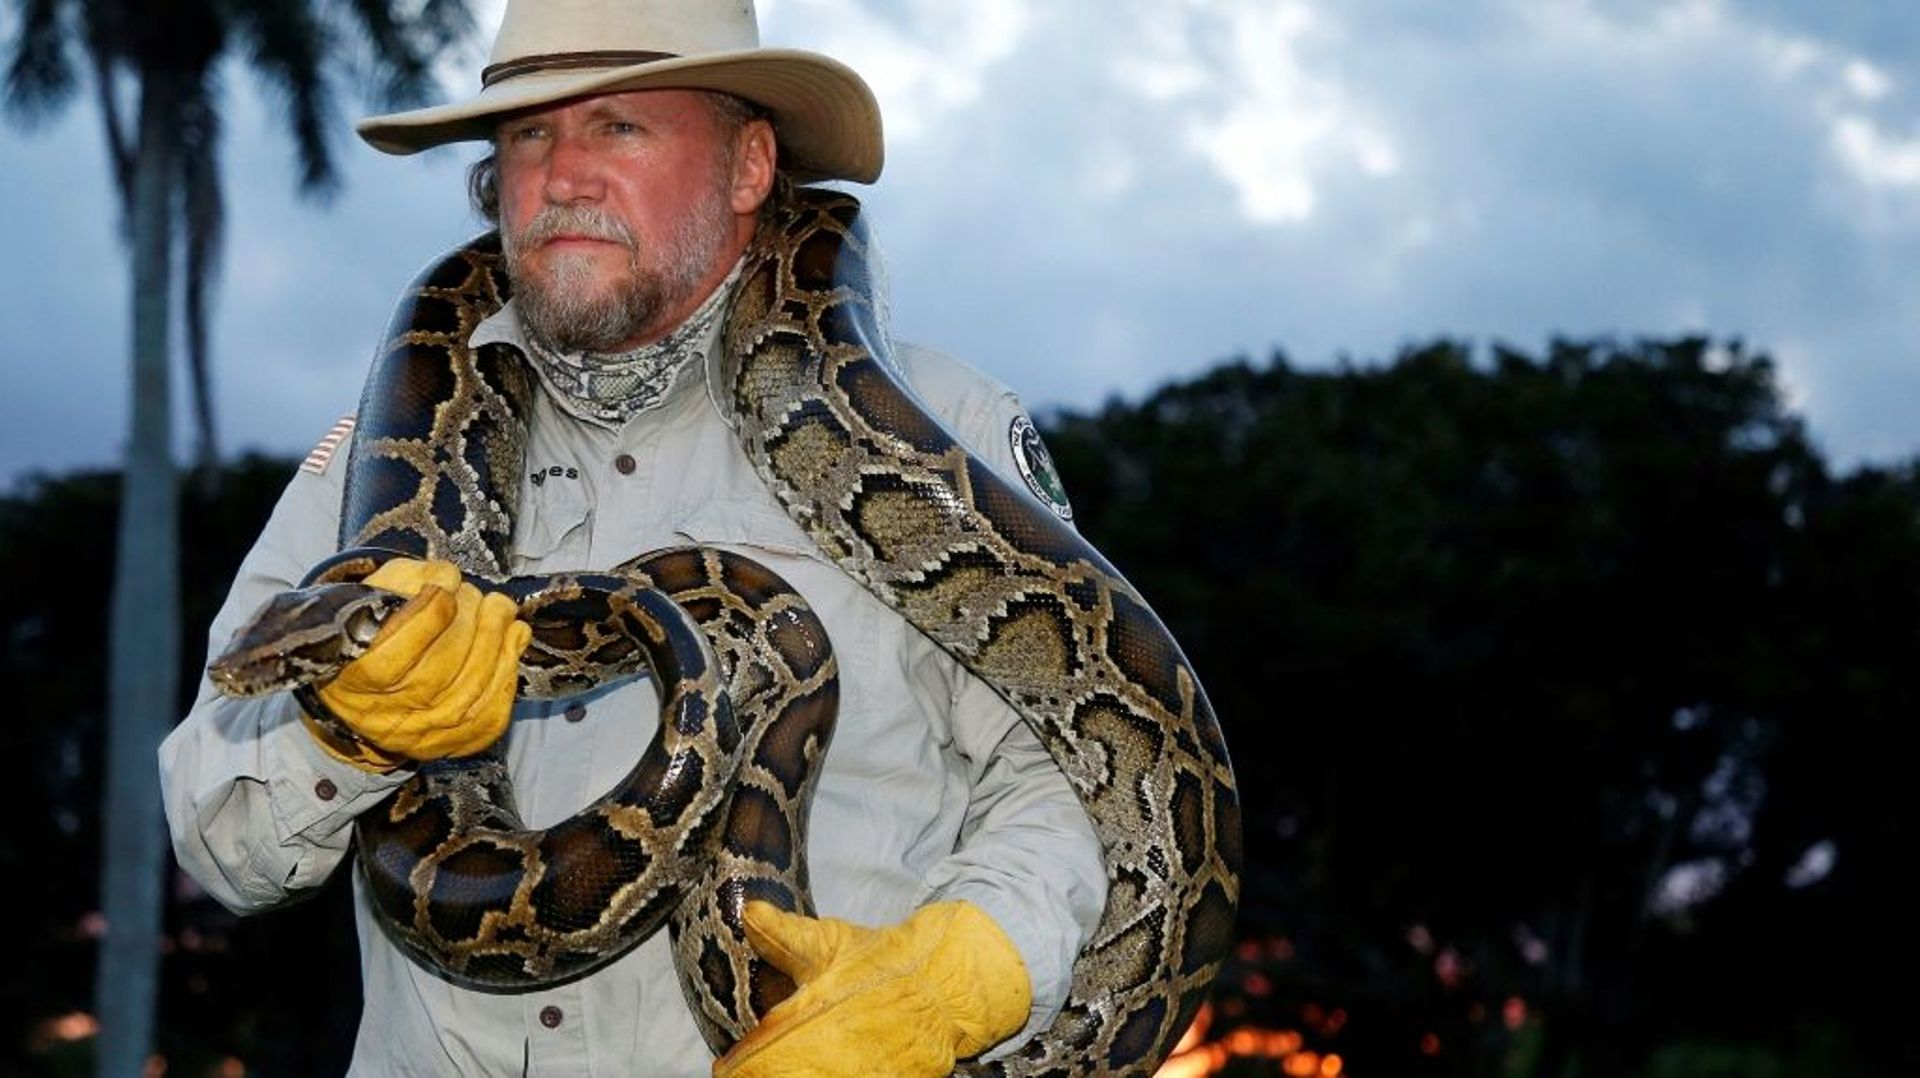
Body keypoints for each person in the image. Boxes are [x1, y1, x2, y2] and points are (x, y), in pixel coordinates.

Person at [157, 1, 1107, 1075]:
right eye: (526, 135)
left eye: (616, 127)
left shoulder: (945, 430)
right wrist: (341, 735)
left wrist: (974, 965)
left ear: (749, 165)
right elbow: (219, 837)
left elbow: (1070, 780)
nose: (561, 176)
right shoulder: (374, 454)